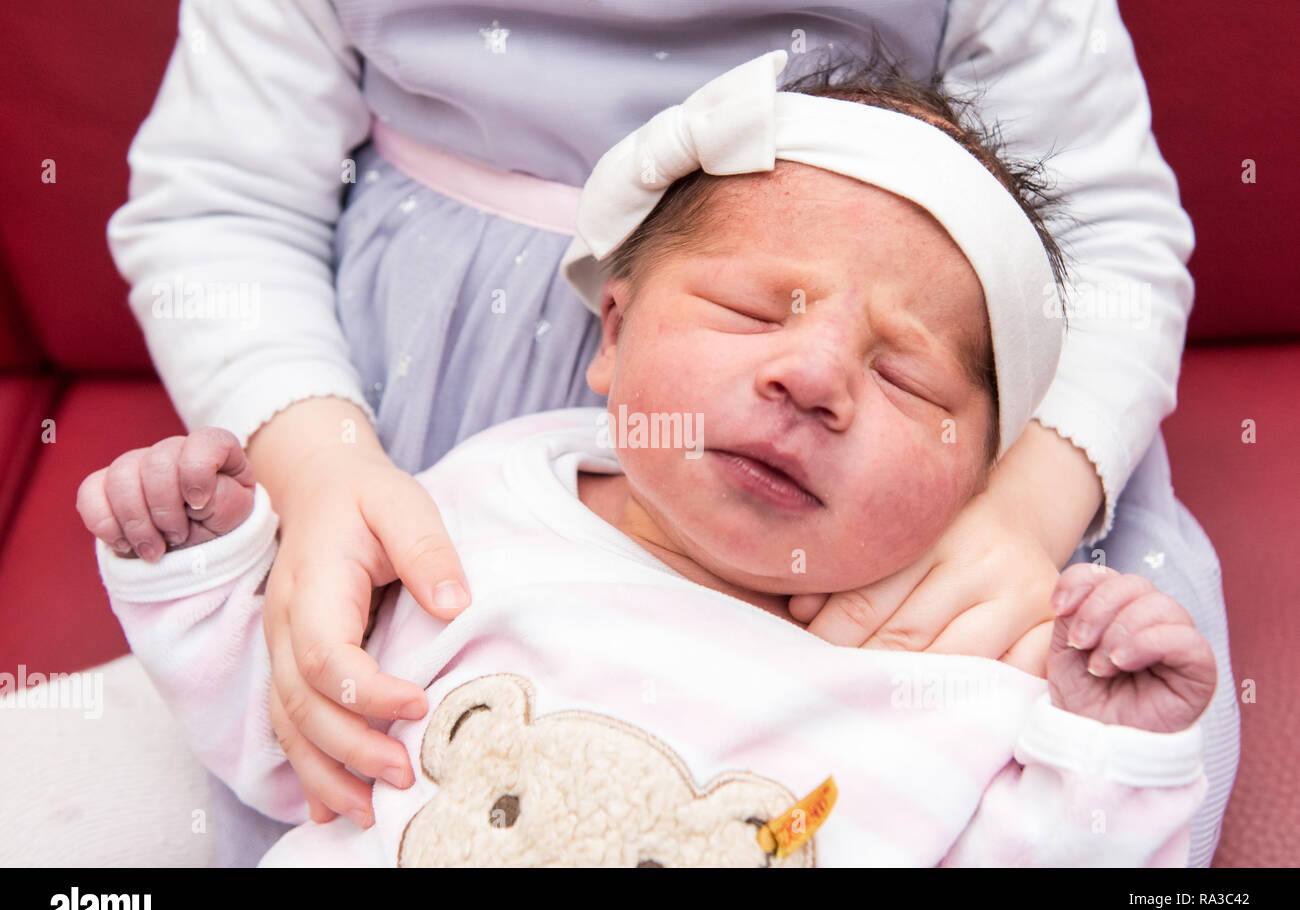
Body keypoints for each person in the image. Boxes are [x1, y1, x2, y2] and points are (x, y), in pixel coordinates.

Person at [101, 1, 1236, 865]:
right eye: (757, 315)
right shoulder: (463, 533)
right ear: (612, 323)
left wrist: (1028, 508)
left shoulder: (965, 690)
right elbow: (289, 720)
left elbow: (1110, 238)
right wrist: (291, 488)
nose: (811, 377)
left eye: (905, 377)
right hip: (396, 400)